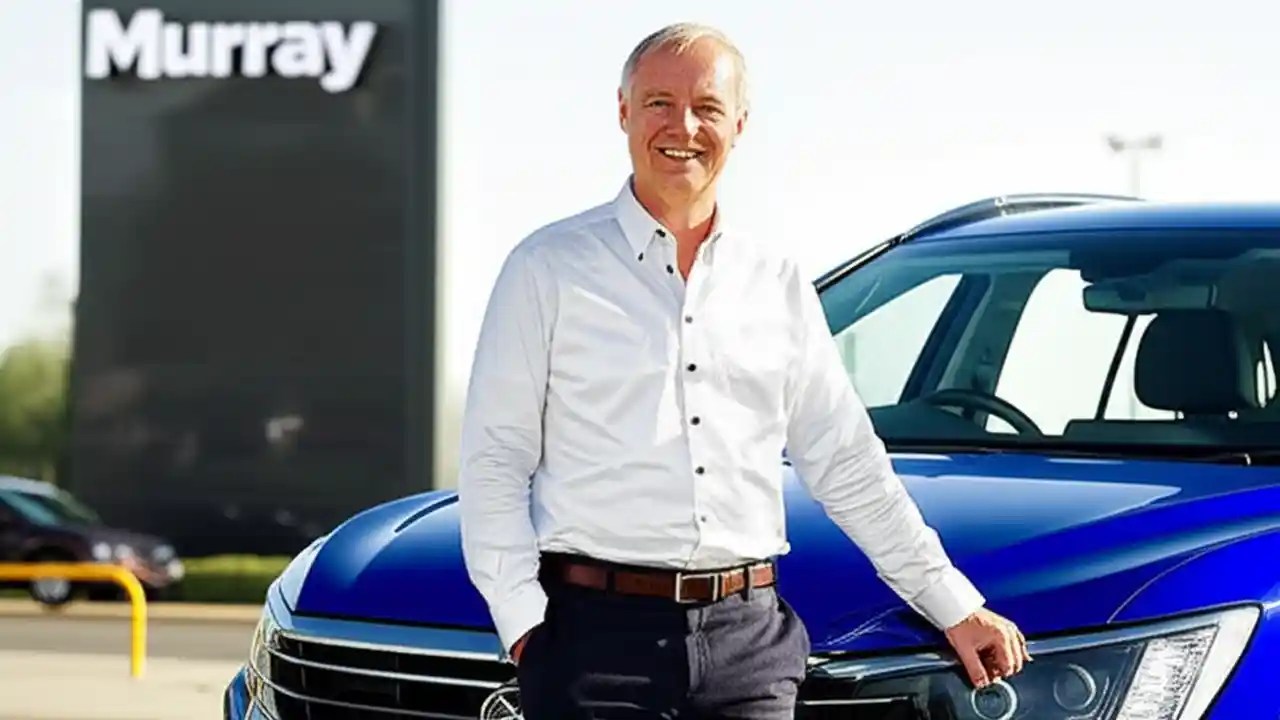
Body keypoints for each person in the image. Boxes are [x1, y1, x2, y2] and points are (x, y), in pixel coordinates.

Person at [457, 21, 1030, 719]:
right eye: (660, 102)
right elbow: (495, 458)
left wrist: (953, 605)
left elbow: (845, 462)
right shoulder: (547, 269)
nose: (684, 126)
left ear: (740, 123)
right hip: (591, 646)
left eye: (707, 107)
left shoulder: (776, 281)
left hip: (750, 646)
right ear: (623, 112)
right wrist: (526, 627)